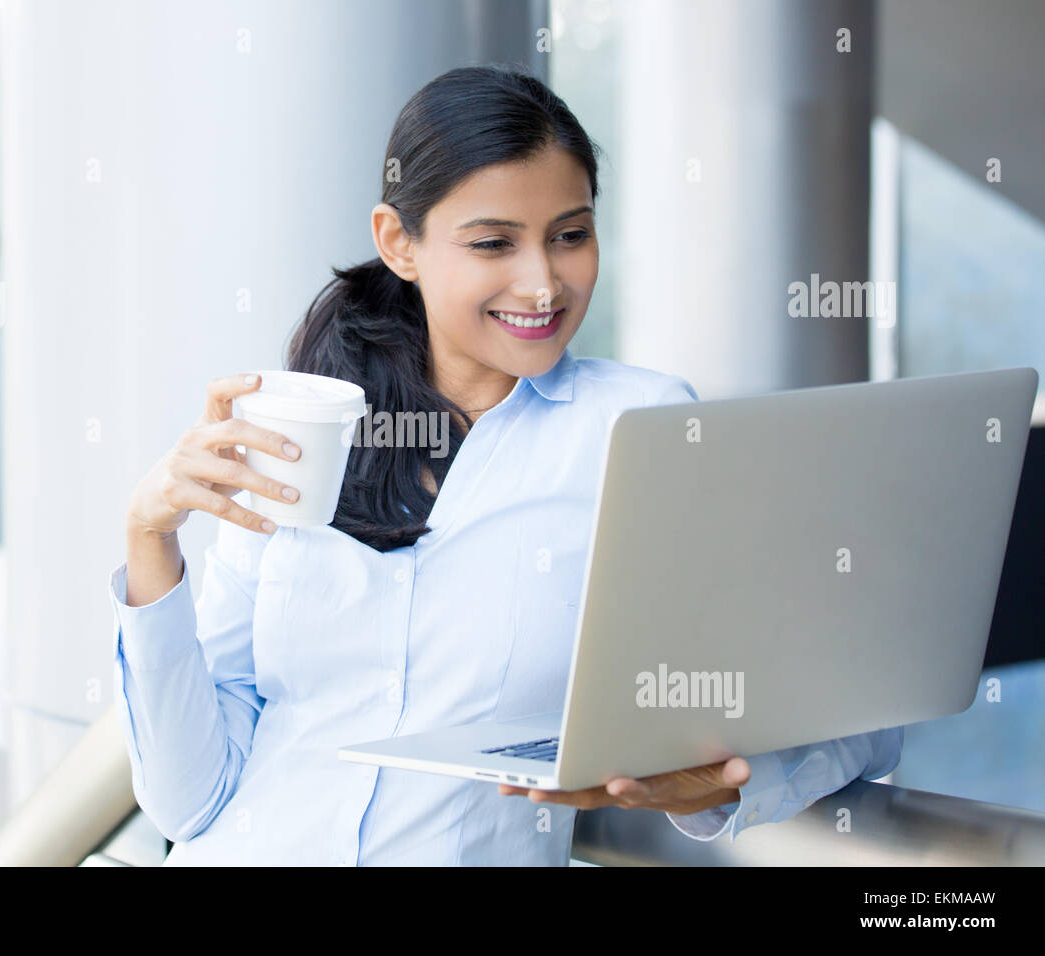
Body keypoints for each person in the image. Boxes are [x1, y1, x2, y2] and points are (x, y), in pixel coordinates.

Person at [109, 65, 902, 866]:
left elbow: (850, 712)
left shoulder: (640, 430)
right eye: (494, 243)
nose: (543, 282)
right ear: (398, 243)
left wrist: (711, 785)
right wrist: (152, 542)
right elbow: (191, 796)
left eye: (570, 234)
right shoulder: (304, 430)